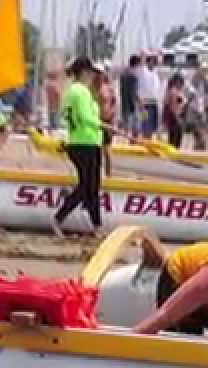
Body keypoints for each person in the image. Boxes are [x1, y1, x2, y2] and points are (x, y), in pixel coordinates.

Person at [51, 57, 108, 239]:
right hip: (83, 143)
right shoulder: (80, 91)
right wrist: (104, 125)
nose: (93, 75)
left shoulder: (78, 91)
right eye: (91, 72)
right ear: (83, 72)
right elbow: (84, 117)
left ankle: (97, 226)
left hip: (88, 142)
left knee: (92, 187)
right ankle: (58, 218)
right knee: (86, 187)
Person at [92, 63, 117, 177]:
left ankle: (108, 175)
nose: (97, 75)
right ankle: (95, 175)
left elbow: (114, 103)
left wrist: (113, 120)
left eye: (99, 73)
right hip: (94, 122)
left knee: (107, 152)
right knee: (95, 152)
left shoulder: (108, 88)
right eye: (95, 72)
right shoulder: (90, 89)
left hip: (106, 121)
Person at [136, 53, 162, 140]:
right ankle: (145, 143)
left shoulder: (155, 74)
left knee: (151, 128)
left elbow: (159, 61)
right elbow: (142, 60)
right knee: (145, 126)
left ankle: (149, 142)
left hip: (154, 104)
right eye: (152, 61)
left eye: (155, 62)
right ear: (148, 62)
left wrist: (158, 55)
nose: (154, 63)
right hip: (144, 104)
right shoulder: (143, 72)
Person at [162, 73, 186, 148]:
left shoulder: (176, 91)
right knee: (176, 134)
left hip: (174, 114)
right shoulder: (173, 91)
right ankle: (174, 151)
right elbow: (173, 105)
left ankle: (173, 150)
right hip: (173, 114)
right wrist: (177, 117)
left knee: (174, 134)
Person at [119, 55, 140, 139]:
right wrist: (136, 102)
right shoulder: (134, 75)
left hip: (124, 101)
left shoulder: (123, 73)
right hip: (132, 102)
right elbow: (133, 91)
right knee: (136, 123)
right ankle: (134, 141)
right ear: (136, 63)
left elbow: (122, 89)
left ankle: (128, 140)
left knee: (126, 123)